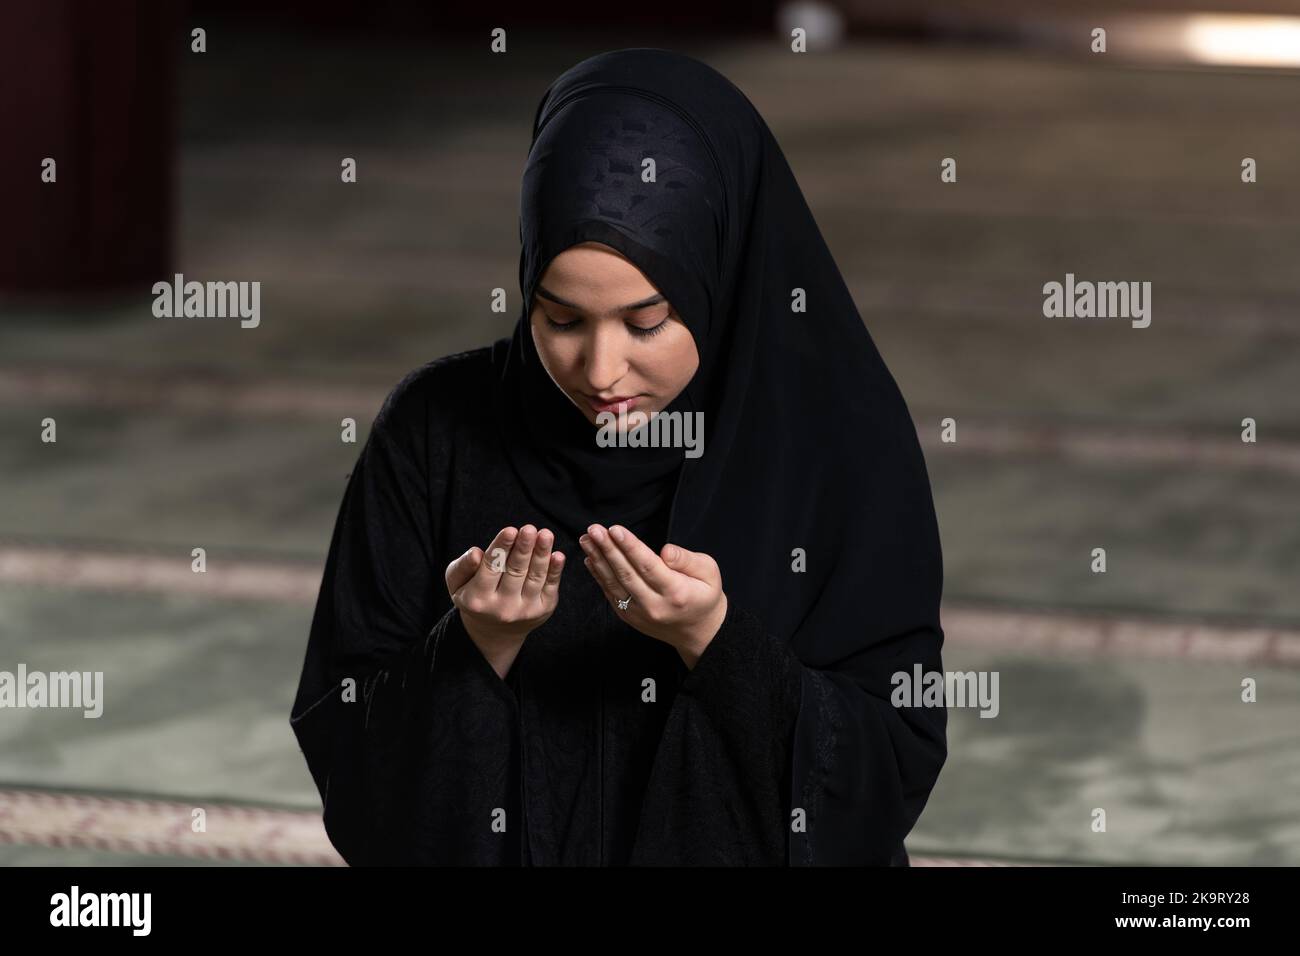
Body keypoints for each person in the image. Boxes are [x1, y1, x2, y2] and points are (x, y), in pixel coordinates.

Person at [289, 47, 947, 866]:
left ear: (722, 276)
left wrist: (716, 642)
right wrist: (474, 648)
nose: (600, 373)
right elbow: (347, 754)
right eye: (561, 320)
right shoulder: (435, 429)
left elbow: (892, 765)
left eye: (646, 322)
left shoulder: (839, 445)